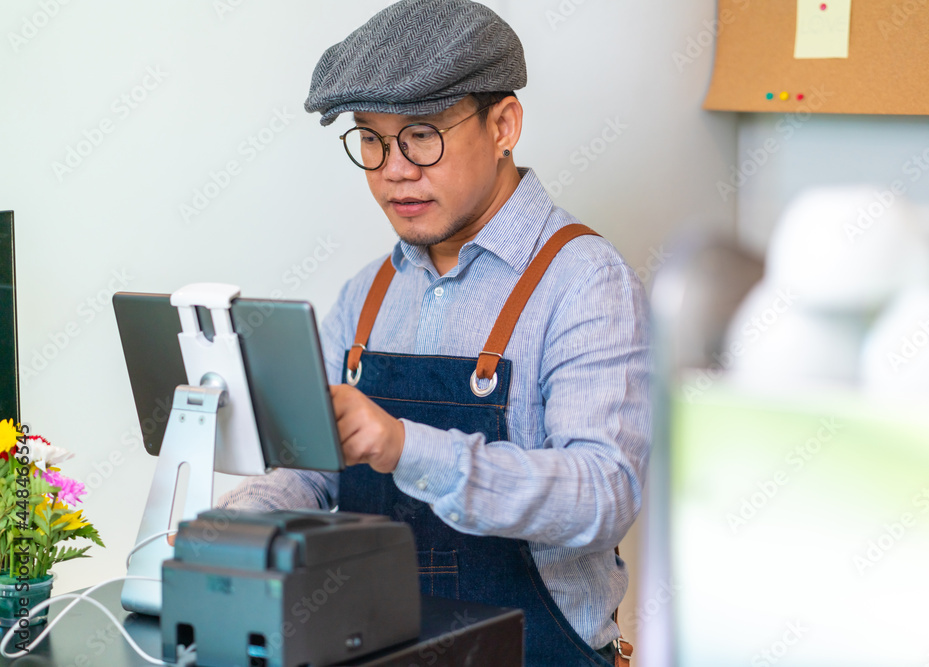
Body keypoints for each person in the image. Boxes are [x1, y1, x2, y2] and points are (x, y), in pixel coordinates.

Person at [218, 1, 650, 664]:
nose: (393, 169)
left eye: (422, 135)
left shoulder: (585, 280)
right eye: (371, 139)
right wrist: (232, 524)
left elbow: (603, 493)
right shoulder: (367, 294)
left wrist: (404, 445)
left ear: (504, 124)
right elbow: (314, 470)